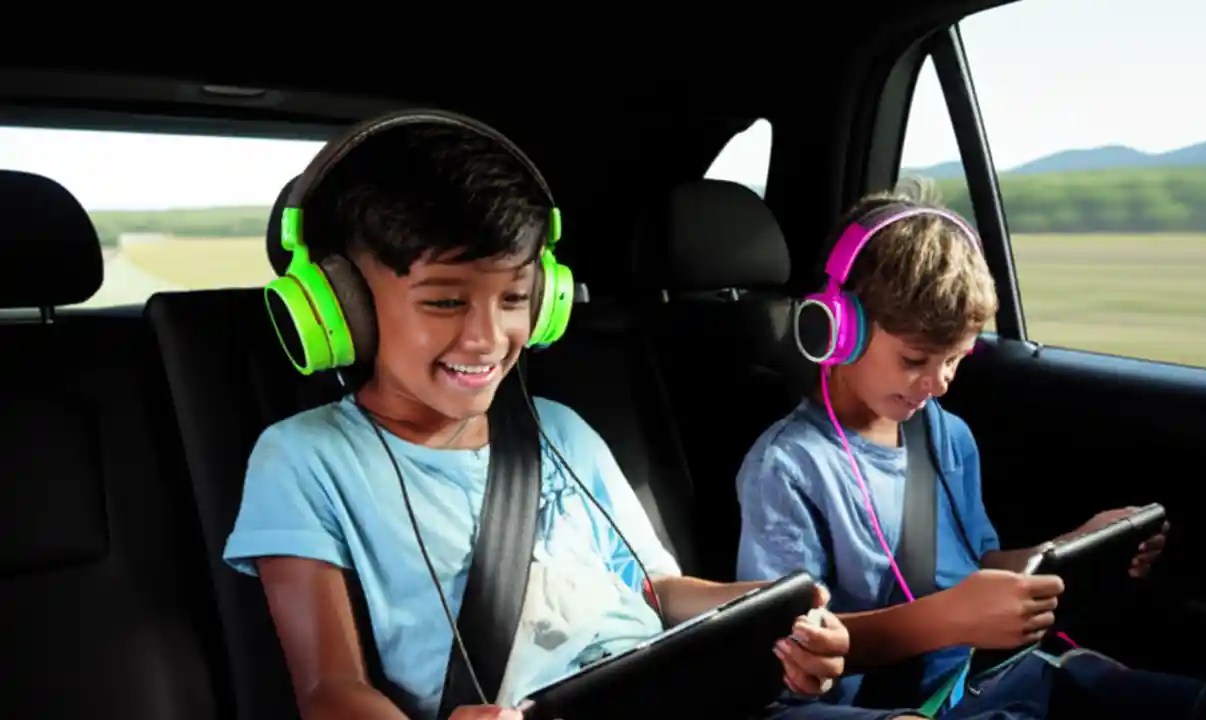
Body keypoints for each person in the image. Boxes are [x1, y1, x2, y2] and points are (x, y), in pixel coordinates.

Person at [221, 111, 850, 720]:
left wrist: (771, 613)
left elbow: (658, 592)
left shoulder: (561, 428)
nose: (488, 337)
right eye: (444, 300)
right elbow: (329, 690)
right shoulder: (306, 459)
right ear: (341, 306)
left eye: (516, 298)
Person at [734, 187, 1206, 720]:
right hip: (879, 706)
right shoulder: (789, 466)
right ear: (838, 328)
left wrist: (1074, 546)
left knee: (1193, 704)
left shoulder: (946, 434)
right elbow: (792, 654)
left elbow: (974, 568)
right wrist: (947, 621)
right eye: (915, 358)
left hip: (980, 677)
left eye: (955, 360)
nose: (937, 383)